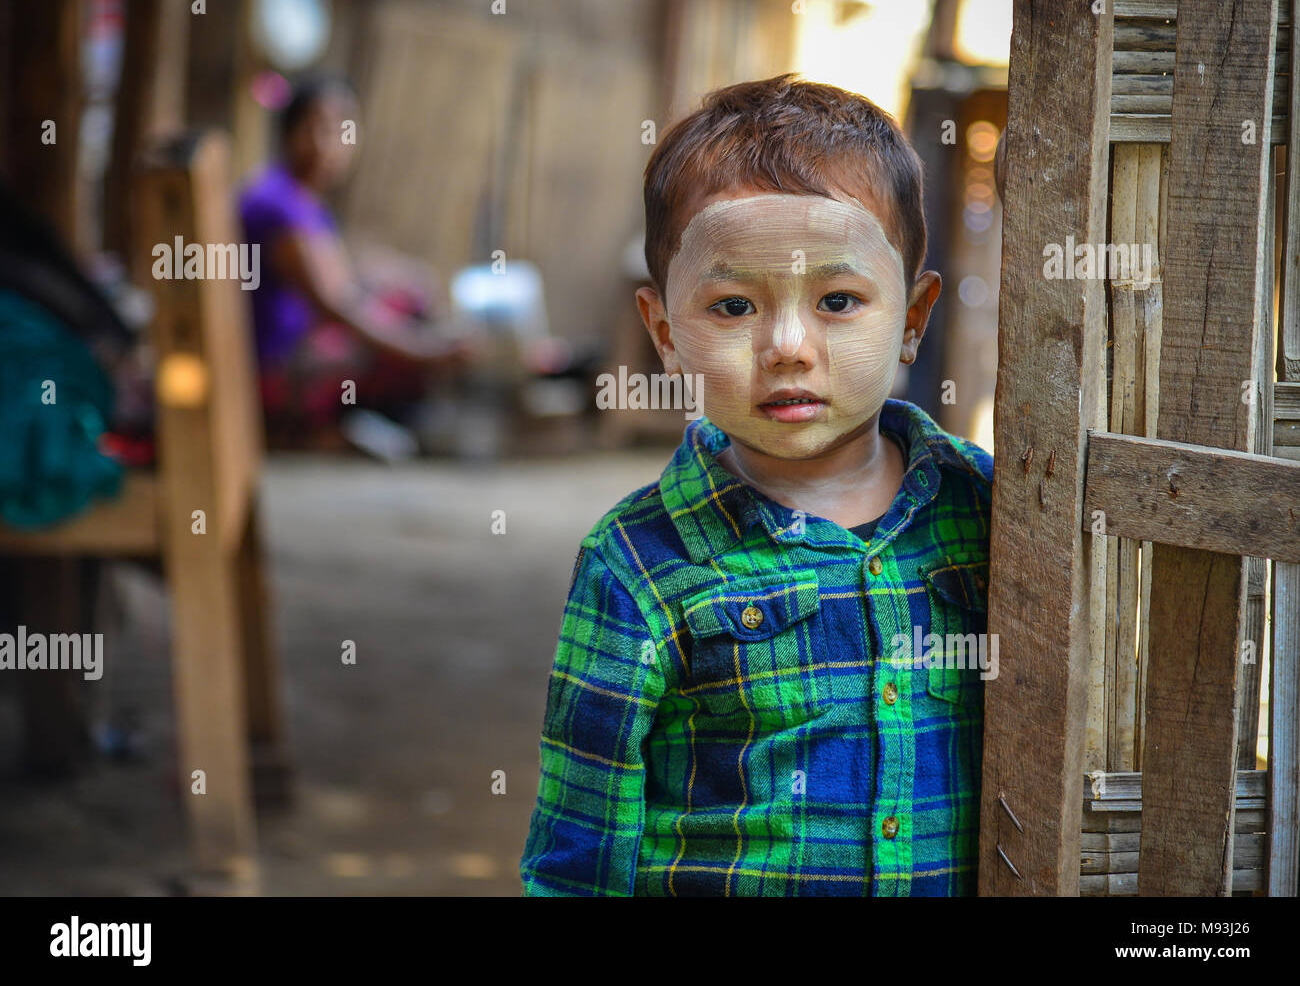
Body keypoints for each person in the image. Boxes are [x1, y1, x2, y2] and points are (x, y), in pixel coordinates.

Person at [520, 73, 993, 896]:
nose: (785, 345)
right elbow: (578, 854)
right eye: (733, 307)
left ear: (913, 319)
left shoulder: (987, 510)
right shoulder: (638, 565)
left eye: (838, 300)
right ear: (665, 334)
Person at [238, 72, 474, 446]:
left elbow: (340, 274)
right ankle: (326, 431)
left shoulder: (300, 200)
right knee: (396, 327)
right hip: (270, 372)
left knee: (407, 291)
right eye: (317, 128)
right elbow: (337, 304)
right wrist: (427, 354)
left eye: (343, 131)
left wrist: (402, 274)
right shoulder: (278, 206)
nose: (329, 144)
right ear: (289, 132)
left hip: (286, 354)